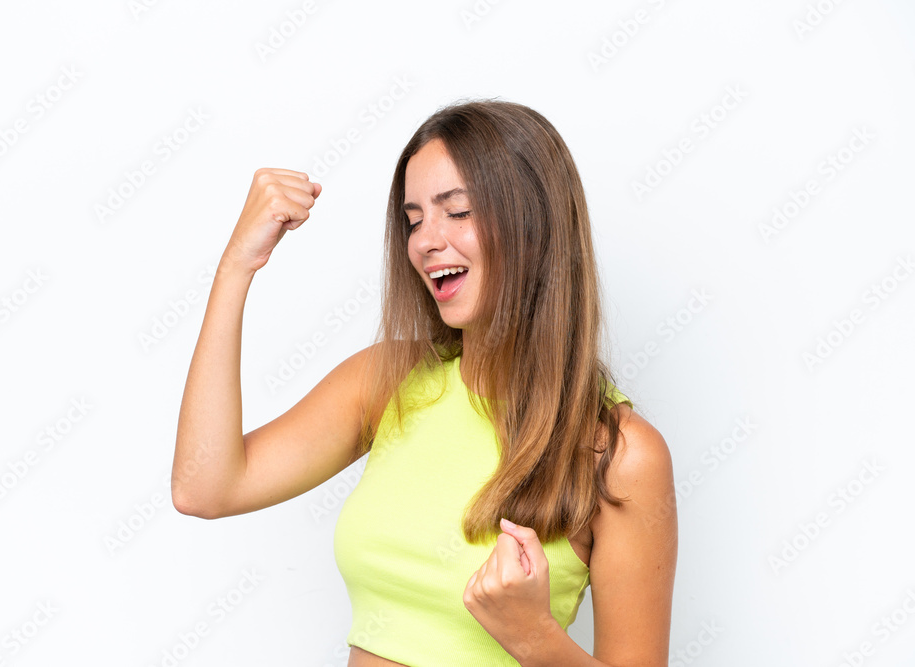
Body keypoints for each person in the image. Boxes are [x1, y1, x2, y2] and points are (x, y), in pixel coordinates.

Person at [171, 98, 678, 666]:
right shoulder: (390, 381)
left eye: (456, 211)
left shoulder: (619, 453)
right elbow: (204, 489)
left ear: (533, 225)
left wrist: (532, 635)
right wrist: (236, 265)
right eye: (413, 220)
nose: (424, 242)